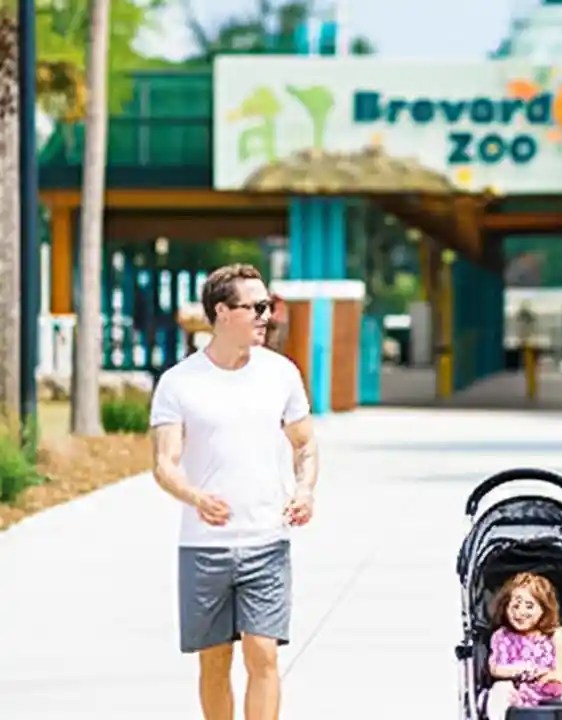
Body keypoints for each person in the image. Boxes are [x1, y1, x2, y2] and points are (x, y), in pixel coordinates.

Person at [150, 263, 318, 720]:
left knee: (263, 653)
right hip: (204, 548)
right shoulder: (179, 383)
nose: (268, 316)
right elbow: (164, 464)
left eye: (269, 306)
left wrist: (304, 490)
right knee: (215, 660)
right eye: (257, 307)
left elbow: (305, 446)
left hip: (267, 541)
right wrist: (195, 497)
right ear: (223, 312)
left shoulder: (281, 374)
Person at [485, 572, 562, 718]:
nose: (521, 612)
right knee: (499, 690)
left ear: (543, 609)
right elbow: (495, 667)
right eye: (515, 606)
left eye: (529, 606)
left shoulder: (555, 633)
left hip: (546, 687)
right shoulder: (502, 635)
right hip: (515, 690)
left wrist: (552, 675)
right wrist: (519, 671)